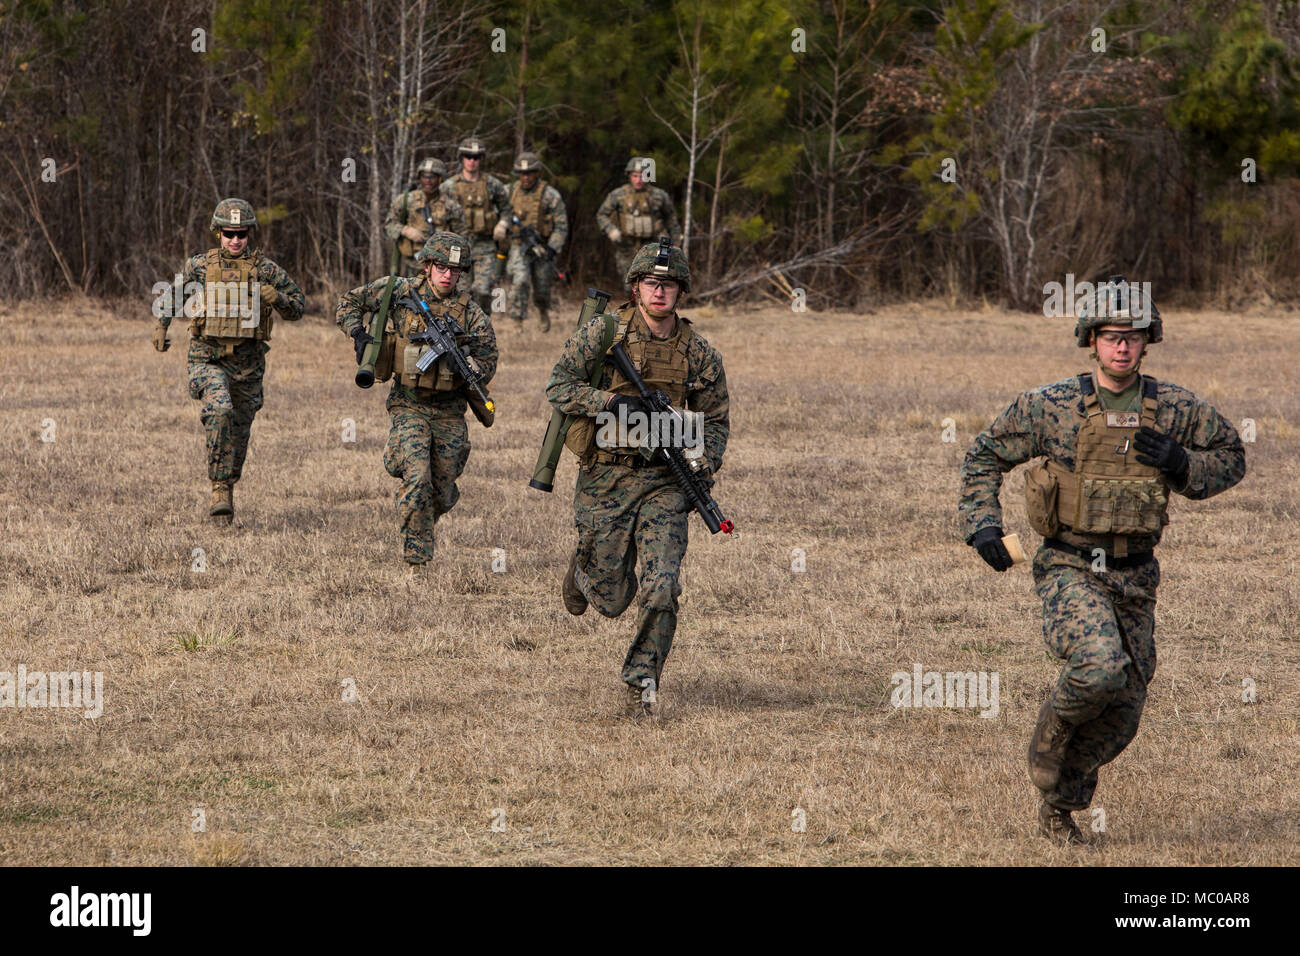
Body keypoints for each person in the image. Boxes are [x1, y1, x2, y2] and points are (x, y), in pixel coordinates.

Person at [958, 278, 1246, 843]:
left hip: (1136, 572)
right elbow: (985, 453)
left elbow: (1232, 456)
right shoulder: (1052, 405)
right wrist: (982, 525)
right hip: (1070, 565)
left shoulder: (1174, 409)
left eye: (1133, 338)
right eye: (1112, 337)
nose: (1122, 348)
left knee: (1125, 709)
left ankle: (1059, 808)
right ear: (1091, 340)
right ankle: (1054, 727)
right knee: (1099, 665)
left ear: (1147, 343)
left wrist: (1185, 464)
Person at [545, 241, 729, 718]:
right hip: (606, 478)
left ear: (681, 292)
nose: (660, 291)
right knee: (609, 600)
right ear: (636, 287)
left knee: (662, 586)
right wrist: (609, 403)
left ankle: (639, 685)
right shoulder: (604, 334)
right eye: (651, 283)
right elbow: (559, 386)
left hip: (666, 483)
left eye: (669, 284)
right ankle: (585, 572)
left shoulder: (700, 353)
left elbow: (715, 422)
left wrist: (703, 463)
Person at [335, 232, 498, 565]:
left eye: (455, 269)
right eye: (441, 266)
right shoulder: (398, 291)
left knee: (442, 491)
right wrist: (358, 333)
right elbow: (348, 303)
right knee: (417, 480)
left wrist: (466, 363)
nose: (448, 274)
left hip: (450, 411)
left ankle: (421, 516)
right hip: (409, 404)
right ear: (427, 266)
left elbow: (489, 359)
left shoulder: (472, 314)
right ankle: (416, 563)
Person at [151, 198, 304, 522]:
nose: (235, 240)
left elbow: (299, 307)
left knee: (239, 432)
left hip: (248, 366)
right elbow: (172, 295)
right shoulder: (200, 266)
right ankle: (219, 487)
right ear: (217, 232)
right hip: (207, 358)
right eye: (229, 233)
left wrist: (277, 298)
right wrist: (162, 326)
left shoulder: (266, 270)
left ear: (250, 234)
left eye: (242, 234)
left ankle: (228, 482)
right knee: (219, 409)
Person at [441, 136, 511, 317]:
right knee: (460, 294)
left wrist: (503, 224)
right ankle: (461, 333)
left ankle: (482, 327)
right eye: (468, 156)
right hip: (457, 247)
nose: (472, 161)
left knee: (482, 290)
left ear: (481, 159)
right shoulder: (449, 187)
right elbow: (438, 213)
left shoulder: (492, 185)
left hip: (484, 245)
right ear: (461, 158)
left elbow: (507, 209)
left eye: (476, 157)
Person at [503, 151, 568, 333]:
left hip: (542, 247)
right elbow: (498, 213)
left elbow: (561, 225)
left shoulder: (549, 195)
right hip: (518, 245)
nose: (526, 177)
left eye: (530, 173)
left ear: (536, 173)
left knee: (541, 285)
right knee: (520, 280)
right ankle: (517, 321)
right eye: (522, 174)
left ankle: (542, 311)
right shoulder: (508, 192)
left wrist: (552, 248)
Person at [596, 157, 681, 283]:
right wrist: (611, 230)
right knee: (629, 284)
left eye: (642, 176)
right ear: (629, 176)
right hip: (626, 246)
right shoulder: (618, 195)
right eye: (635, 176)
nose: (638, 180)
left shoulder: (659, 196)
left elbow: (671, 218)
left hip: (652, 245)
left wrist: (675, 242)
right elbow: (602, 214)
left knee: (652, 281)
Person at [383, 158, 467, 277]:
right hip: (411, 265)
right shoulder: (406, 200)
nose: (428, 181)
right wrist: (406, 230)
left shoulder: (451, 206)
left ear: (440, 178)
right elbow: (389, 224)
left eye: (432, 177)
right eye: (424, 176)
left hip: (442, 267)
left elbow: (462, 236)